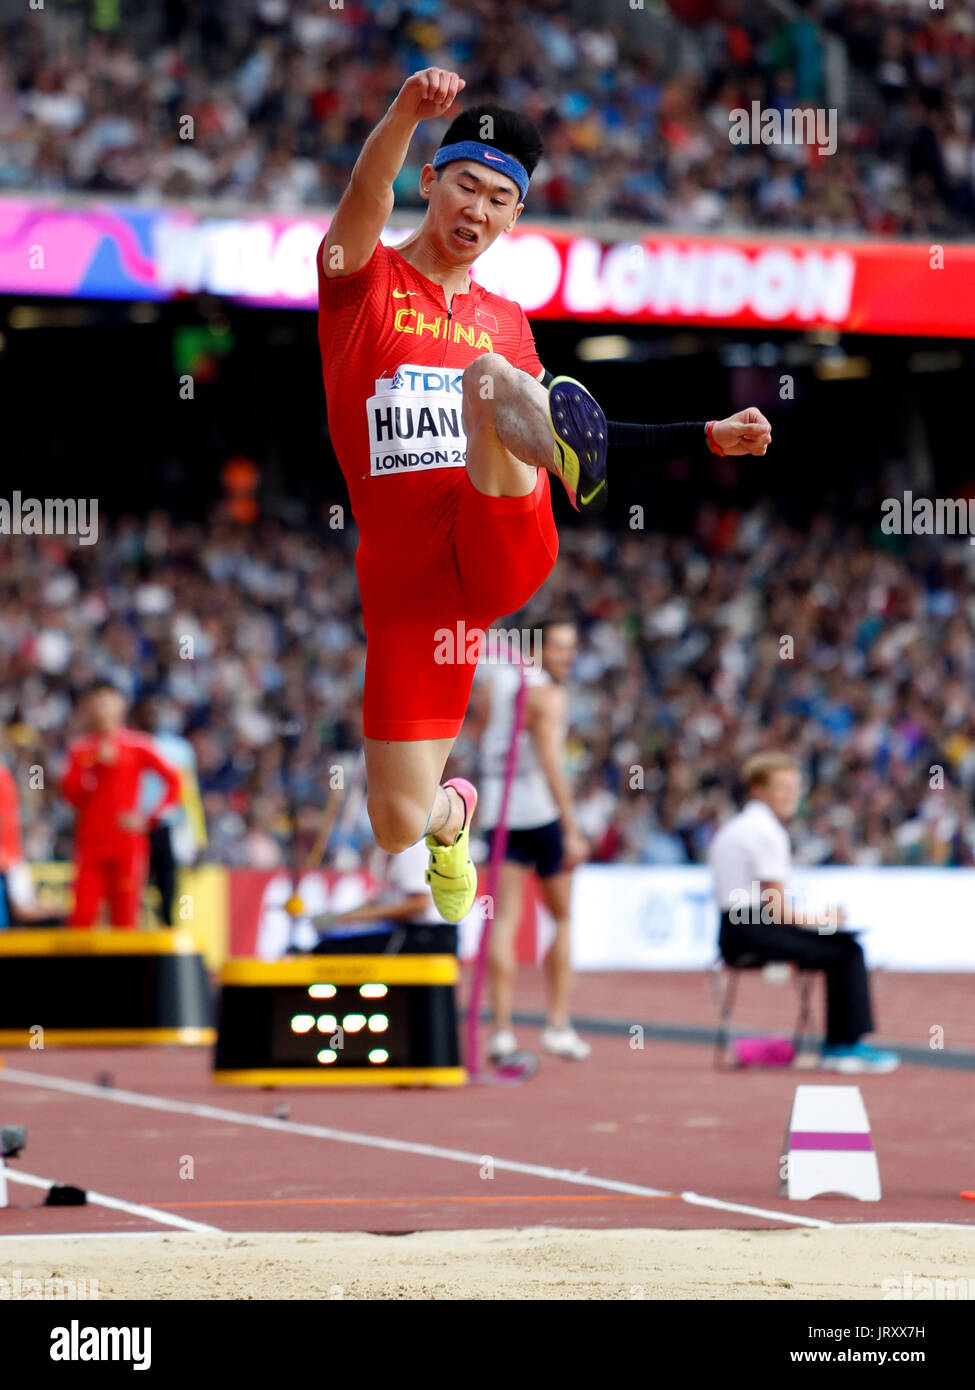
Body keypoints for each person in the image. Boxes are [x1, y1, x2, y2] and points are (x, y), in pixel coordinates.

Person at [317, 66, 772, 928]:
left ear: (514, 216)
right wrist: (406, 112)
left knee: (494, 382)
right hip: (413, 594)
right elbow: (363, 189)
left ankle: (556, 468)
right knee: (394, 825)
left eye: (499, 199)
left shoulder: (505, 320)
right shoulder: (359, 286)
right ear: (430, 182)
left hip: (499, 536)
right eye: (465, 186)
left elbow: (583, 422)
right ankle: (456, 815)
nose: (477, 211)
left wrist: (700, 434)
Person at [707, 751, 899, 1073]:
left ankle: (841, 1045)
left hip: (734, 929)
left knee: (838, 946)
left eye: (795, 788)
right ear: (758, 789)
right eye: (783, 788)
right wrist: (823, 921)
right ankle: (843, 1046)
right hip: (754, 929)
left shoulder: (736, 827)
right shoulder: (768, 832)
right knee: (847, 948)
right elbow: (778, 911)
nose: (792, 796)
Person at [470, 614, 590, 1060]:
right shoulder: (545, 694)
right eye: (559, 647)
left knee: (503, 920)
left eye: (570, 648)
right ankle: (556, 1023)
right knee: (561, 917)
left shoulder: (495, 684)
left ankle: (501, 1030)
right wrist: (572, 826)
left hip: (500, 812)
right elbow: (552, 764)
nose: (567, 657)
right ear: (535, 650)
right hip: (539, 814)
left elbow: (481, 732)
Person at [60, 683, 181, 929]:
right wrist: (94, 767)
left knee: (125, 916)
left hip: (127, 843)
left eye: (107, 701)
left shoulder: (138, 745)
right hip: (90, 844)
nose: (102, 708)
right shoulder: (81, 750)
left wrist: (150, 819)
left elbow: (175, 780)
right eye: (97, 702)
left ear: (120, 706)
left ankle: (126, 968)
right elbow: (70, 794)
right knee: (82, 916)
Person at [132, 697, 207, 925]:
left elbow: (189, 797)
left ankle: (169, 935)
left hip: (166, 826)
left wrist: (198, 839)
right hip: (132, 828)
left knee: (169, 886)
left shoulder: (178, 749)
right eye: (146, 712)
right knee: (132, 887)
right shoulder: (126, 744)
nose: (151, 717)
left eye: (155, 712)